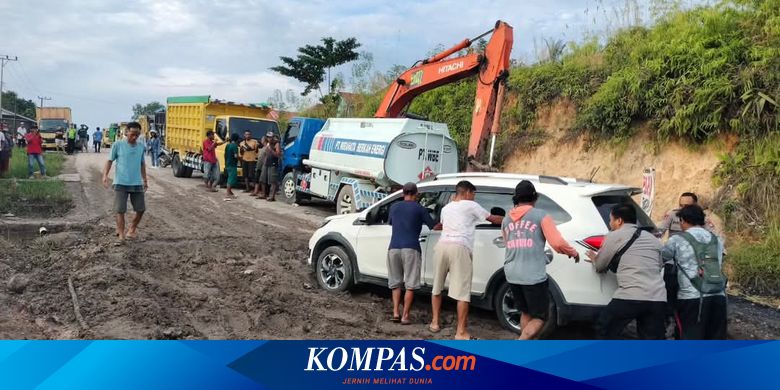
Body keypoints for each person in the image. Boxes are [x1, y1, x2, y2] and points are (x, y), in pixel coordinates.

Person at [501, 180, 580, 340]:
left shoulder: (506, 220)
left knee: (526, 312)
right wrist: (573, 252)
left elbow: (507, 243)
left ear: (516, 199)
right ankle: (520, 345)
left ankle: (526, 349)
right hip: (532, 276)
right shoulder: (541, 215)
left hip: (512, 274)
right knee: (540, 317)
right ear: (534, 198)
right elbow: (557, 243)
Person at [429, 180, 504, 339]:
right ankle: (461, 332)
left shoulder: (446, 208)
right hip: (460, 247)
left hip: (442, 246)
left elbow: (442, 225)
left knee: (437, 286)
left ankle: (435, 322)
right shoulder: (471, 205)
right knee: (462, 293)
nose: (474, 197)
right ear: (467, 192)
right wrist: (512, 219)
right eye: (474, 194)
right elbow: (492, 219)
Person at [586, 204, 667, 339]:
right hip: (657, 297)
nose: (610, 223)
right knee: (652, 342)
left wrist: (595, 258)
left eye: (610, 220)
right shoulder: (653, 239)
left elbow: (601, 266)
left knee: (604, 327)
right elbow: (659, 266)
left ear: (619, 221)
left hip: (630, 296)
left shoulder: (615, 235)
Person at [662, 204, 727, 340]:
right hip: (718, 295)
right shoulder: (717, 240)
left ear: (683, 220)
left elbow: (661, 259)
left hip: (692, 298)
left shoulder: (677, 240)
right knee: (715, 339)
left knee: (691, 338)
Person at [387, 182, 436, 325]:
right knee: (410, 285)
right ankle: (405, 316)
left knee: (395, 283)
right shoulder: (420, 209)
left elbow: (391, 223)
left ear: (403, 193)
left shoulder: (394, 207)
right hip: (411, 248)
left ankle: (395, 312)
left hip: (393, 248)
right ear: (416, 194)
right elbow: (433, 226)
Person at [102, 122, 147, 241]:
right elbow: (109, 160)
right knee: (120, 209)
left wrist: (145, 180)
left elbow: (142, 164)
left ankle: (132, 229)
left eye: (137, 135)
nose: (134, 137)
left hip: (136, 183)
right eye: (132, 134)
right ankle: (121, 234)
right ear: (126, 132)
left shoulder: (141, 147)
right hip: (121, 182)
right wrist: (105, 175)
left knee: (141, 209)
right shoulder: (118, 145)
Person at [258, 133, 282, 201]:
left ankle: (272, 196)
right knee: (262, 179)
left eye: (271, 137)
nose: (269, 138)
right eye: (268, 137)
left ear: (273, 137)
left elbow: (278, 155)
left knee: (273, 181)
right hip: (266, 163)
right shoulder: (268, 143)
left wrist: (271, 150)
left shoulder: (276, 144)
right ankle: (264, 194)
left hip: (273, 164)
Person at [224, 133, 240, 201]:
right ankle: (228, 193)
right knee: (231, 179)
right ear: (237, 139)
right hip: (232, 164)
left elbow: (225, 154)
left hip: (227, 163)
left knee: (230, 177)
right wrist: (241, 159)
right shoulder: (235, 146)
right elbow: (236, 156)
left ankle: (230, 192)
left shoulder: (228, 145)